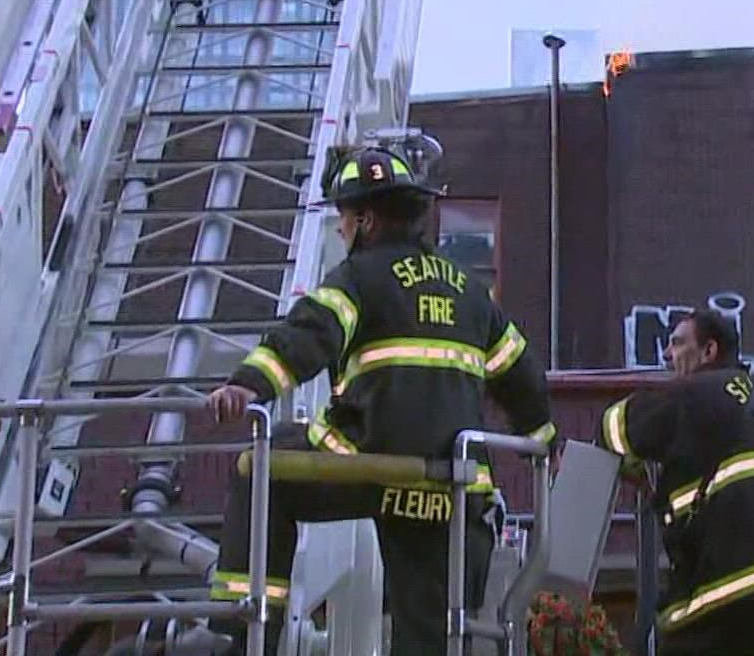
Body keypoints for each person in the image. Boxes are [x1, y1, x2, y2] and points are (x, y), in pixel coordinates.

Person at [205, 144, 554, 653]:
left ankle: (244, 636)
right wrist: (547, 441)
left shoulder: (358, 279)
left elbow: (308, 334)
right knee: (429, 639)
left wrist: (247, 385)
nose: (342, 230)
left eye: (344, 218)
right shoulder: (469, 290)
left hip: (363, 465)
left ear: (365, 219)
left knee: (259, 472)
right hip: (448, 488)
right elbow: (521, 376)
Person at [599, 309, 754, 655]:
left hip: (731, 588)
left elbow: (614, 427)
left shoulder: (694, 391)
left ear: (709, 351)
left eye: (677, 343)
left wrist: (631, 468)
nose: (667, 354)